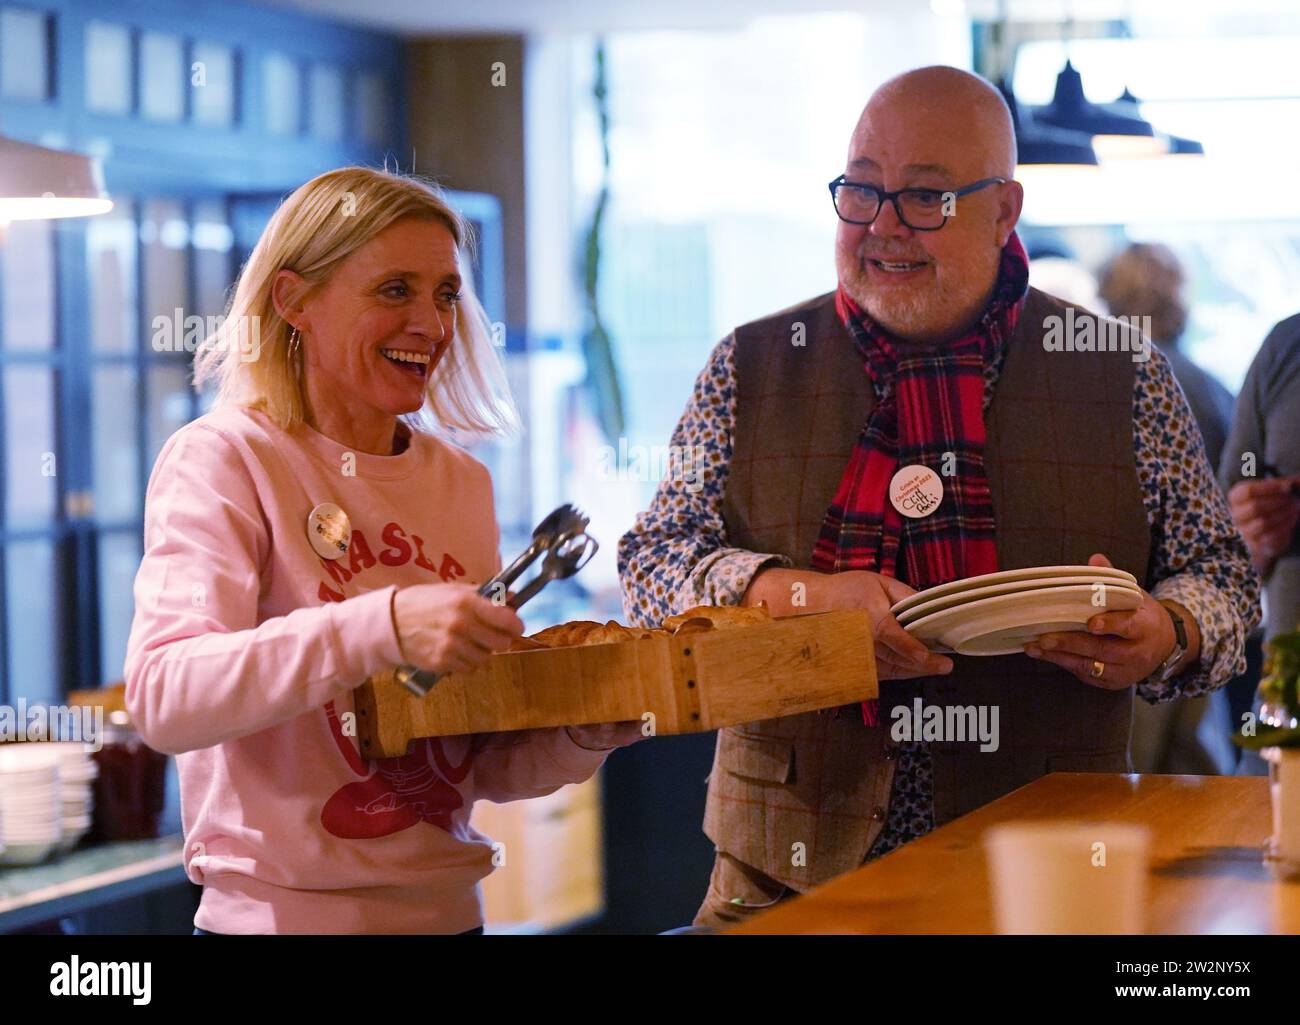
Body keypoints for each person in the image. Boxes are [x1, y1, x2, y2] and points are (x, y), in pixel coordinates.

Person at [618, 66, 1259, 929]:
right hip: (780, 884)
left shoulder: (1123, 373)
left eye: (924, 197)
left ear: (1004, 211)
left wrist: (1166, 631)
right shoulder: (752, 365)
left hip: (1047, 880)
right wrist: (793, 595)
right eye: (862, 190)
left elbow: (1223, 581)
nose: (882, 226)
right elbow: (652, 565)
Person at [124, 167, 640, 935]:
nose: (431, 324)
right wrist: (382, 624)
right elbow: (165, 698)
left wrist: (578, 734)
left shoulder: (460, 482)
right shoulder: (226, 459)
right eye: (394, 289)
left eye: (445, 294)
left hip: (452, 919)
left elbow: (472, 761)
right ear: (293, 299)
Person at [1098, 242, 1238, 774]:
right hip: (1194, 617)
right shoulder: (1211, 388)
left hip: (1112, 610)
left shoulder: (1093, 388)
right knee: (1191, 783)